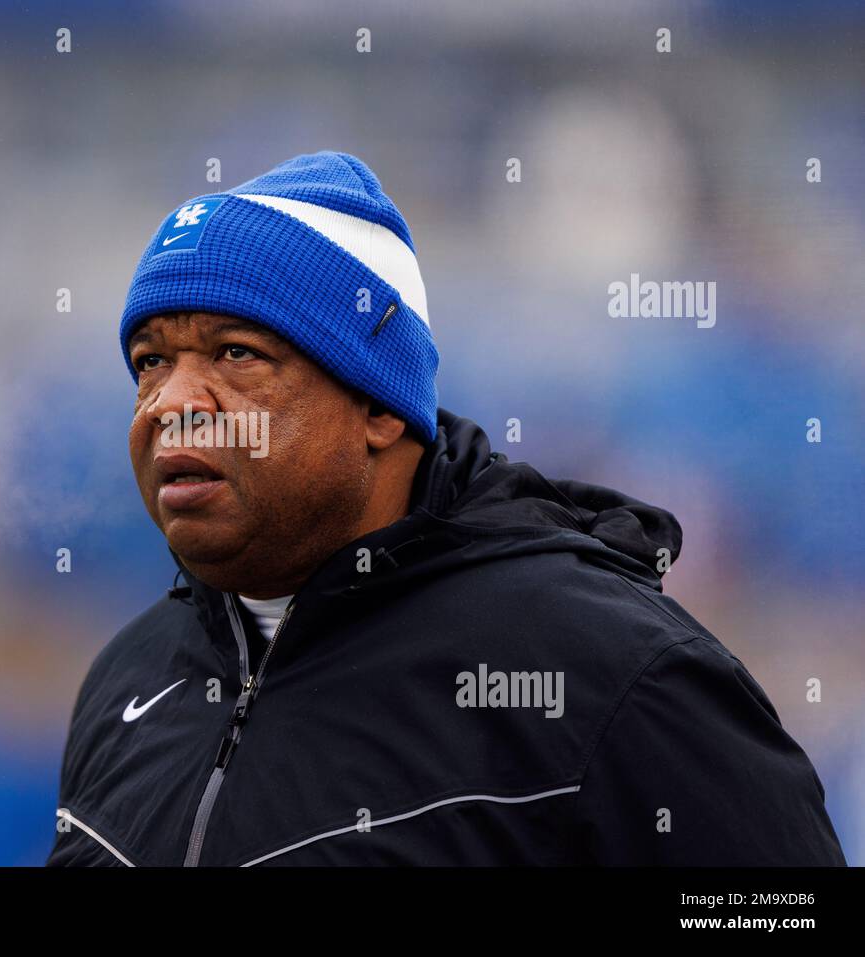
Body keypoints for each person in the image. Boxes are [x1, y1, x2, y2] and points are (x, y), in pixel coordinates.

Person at [46, 150, 847, 866]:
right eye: (150, 361)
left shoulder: (607, 673)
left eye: (236, 354)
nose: (171, 403)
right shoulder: (130, 677)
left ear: (379, 407)